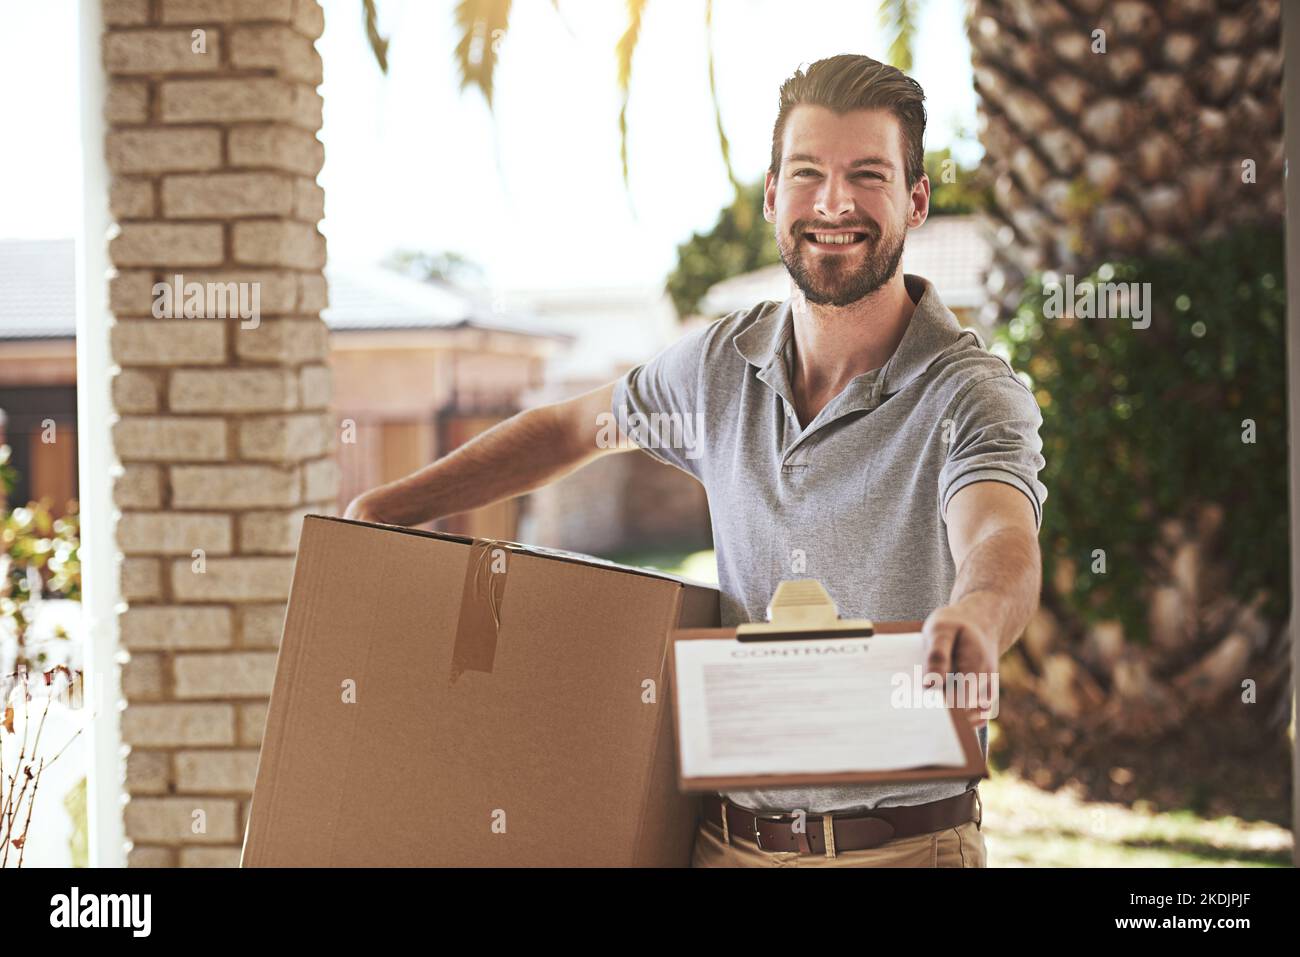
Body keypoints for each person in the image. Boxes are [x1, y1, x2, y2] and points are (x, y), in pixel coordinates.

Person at [346, 53, 1046, 868]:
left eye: (868, 175)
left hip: (900, 850)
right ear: (772, 195)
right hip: (723, 844)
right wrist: (390, 507)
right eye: (808, 172)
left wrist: (977, 616)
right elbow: (570, 429)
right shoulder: (718, 370)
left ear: (915, 200)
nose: (833, 202)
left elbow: (998, 534)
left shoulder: (968, 393)